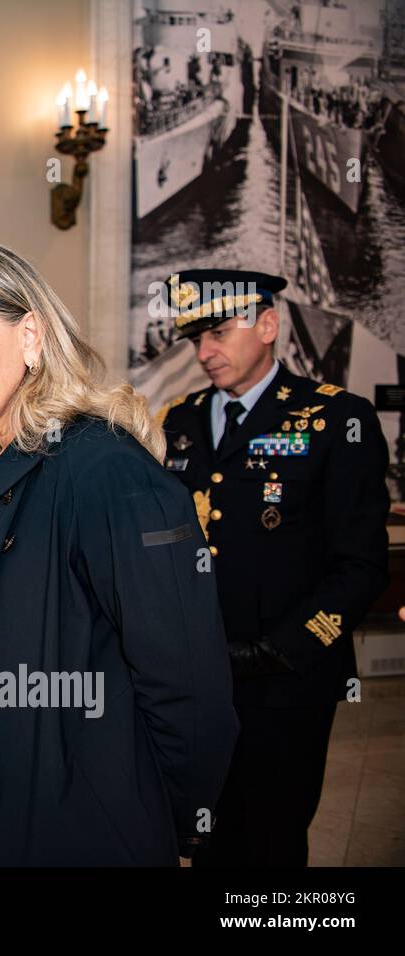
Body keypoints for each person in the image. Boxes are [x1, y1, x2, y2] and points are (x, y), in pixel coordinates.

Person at [0, 241, 237, 865]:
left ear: (30, 336)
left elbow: (187, 689)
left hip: (88, 829)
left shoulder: (108, 471)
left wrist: (180, 830)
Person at [157, 269, 389, 867]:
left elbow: (361, 567)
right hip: (198, 674)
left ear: (267, 324)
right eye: (193, 338)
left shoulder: (336, 420)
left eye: (217, 332)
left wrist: (278, 651)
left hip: (289, 681)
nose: (204, 352)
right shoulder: (177, 422)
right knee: (201, 831)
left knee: (272, 837)